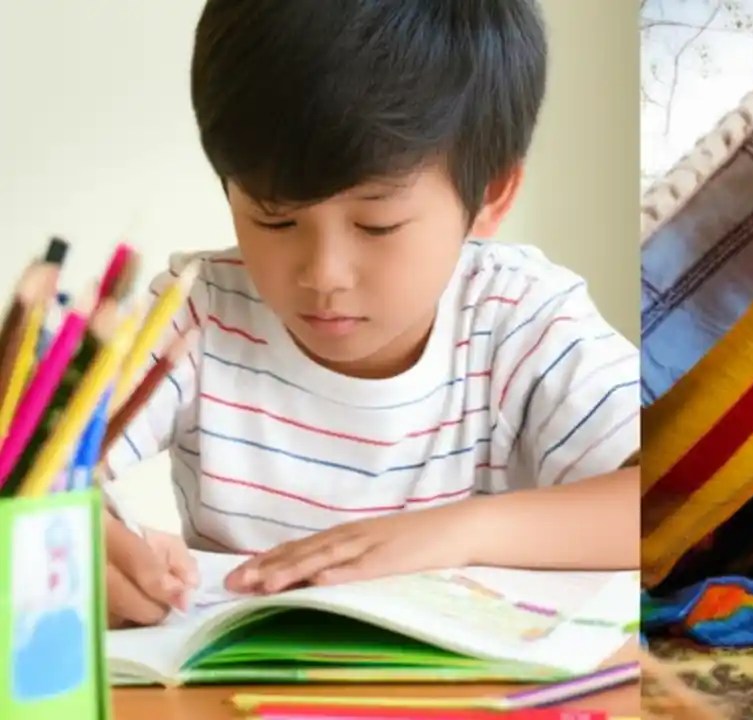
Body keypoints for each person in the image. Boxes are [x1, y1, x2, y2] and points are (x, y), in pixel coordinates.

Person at [102, 0, 639, 629]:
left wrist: (461, 531)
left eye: (377, 224)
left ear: (491, 195)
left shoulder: (521, 318)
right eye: (275, 218)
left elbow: (664, 505)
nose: (323, 274)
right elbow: (29, 463)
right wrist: (93, 541)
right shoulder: (198, 314)